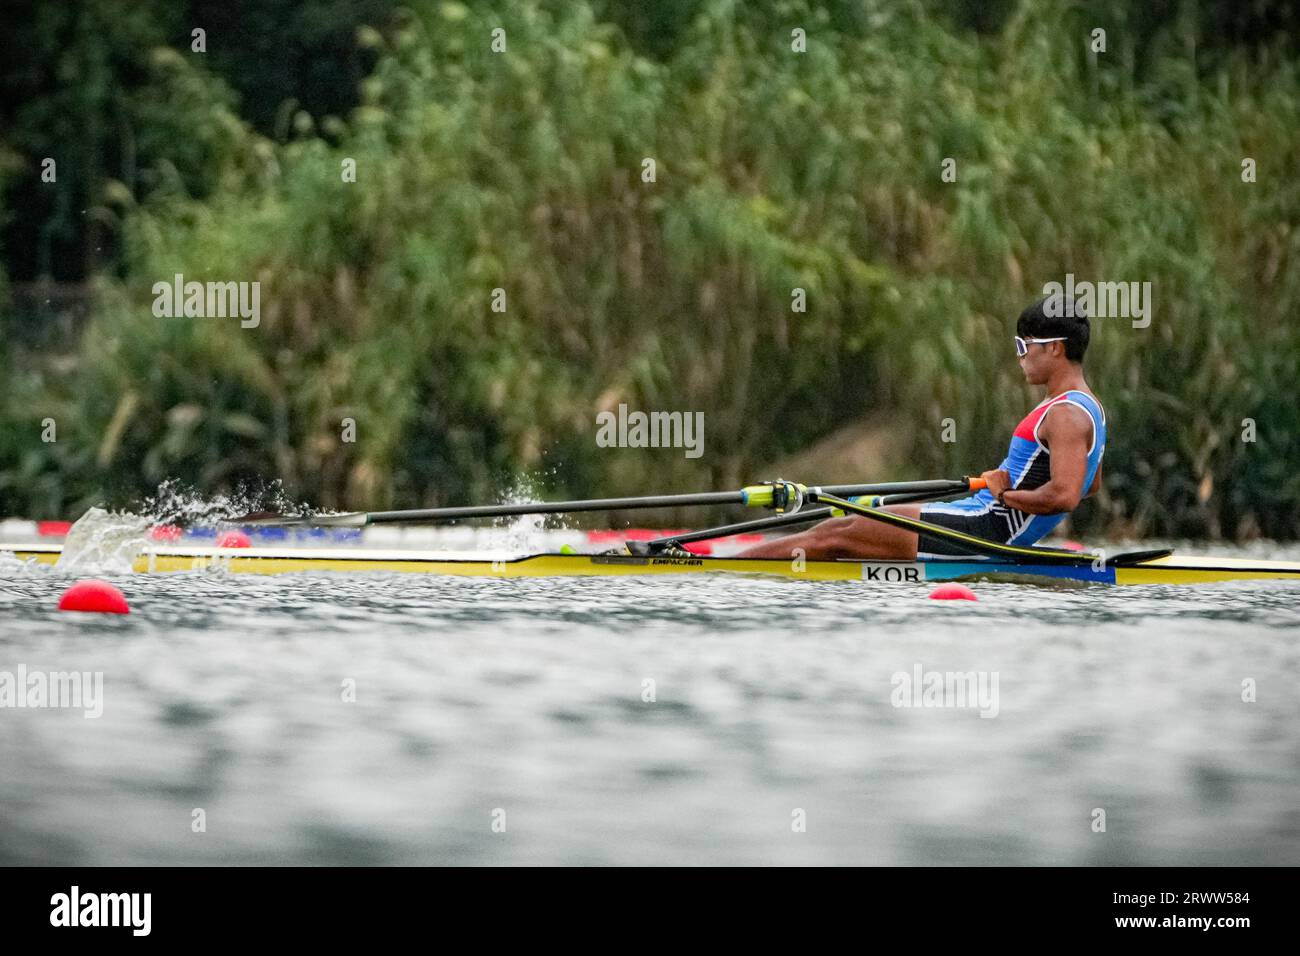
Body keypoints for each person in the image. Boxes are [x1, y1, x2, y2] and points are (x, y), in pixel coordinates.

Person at [739, 296, 1106, 561]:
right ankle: (732, 565)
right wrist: (1011, 482)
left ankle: (721, 570)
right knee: (846, 527)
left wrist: (1004, 495)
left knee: (836, 534)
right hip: (981, 520)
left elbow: (1065, 496)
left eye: (1023, 346)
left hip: (987, 530)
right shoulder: (1091, 409)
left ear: (1055, 348)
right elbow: (1090, 483)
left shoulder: (1065, 414)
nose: (1020, 356)